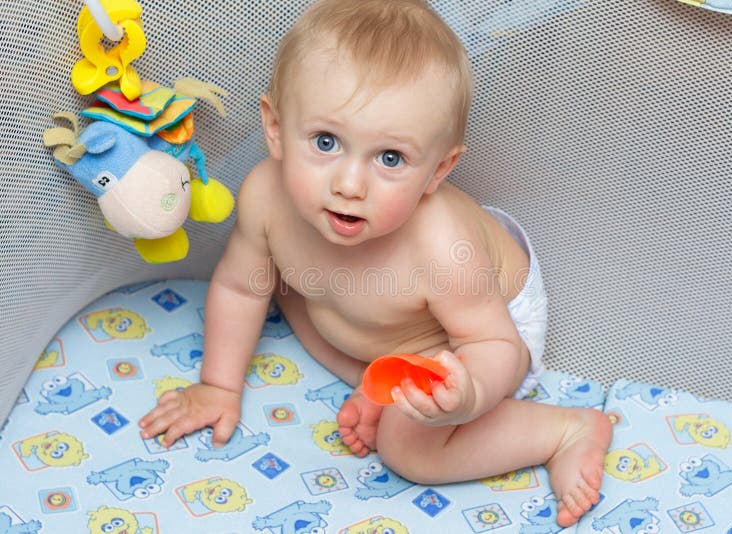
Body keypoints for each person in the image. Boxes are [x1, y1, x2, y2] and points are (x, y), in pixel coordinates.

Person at [138, 0, 612, 526]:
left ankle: (564, 430)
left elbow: (498, 346)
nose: (349, 185)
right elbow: (239, 289)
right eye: (325, 142)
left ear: (438, 170)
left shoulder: (441, 247)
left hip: (479, 327)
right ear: (274, 127)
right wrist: (219, 386)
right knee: (278, 289)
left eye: (390, 159)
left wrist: (466, 397)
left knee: (408, 448)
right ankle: (377, 385)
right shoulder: (264, 196)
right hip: (368, 308)